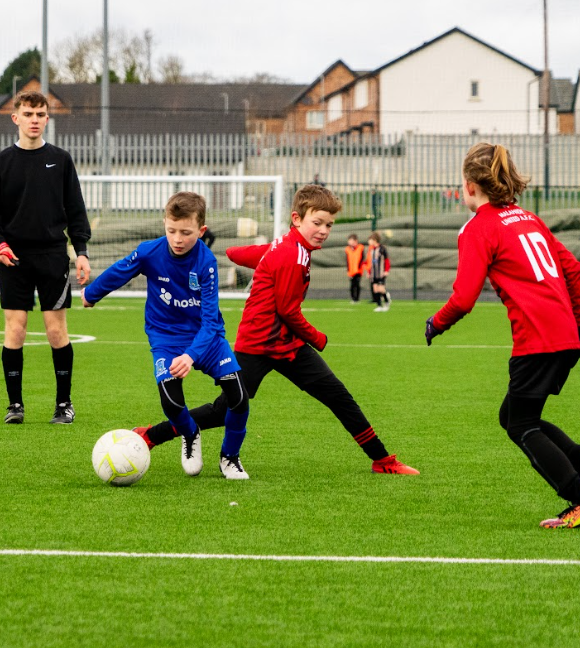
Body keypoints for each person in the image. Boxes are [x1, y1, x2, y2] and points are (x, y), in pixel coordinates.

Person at [133, 184, 419, 476]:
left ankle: (382, 460)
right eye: (316, 223)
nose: (323, 230)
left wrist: (251, 254)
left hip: (287, 346)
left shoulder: (290, 247)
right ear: (297, 219)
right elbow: (288, 311)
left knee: (337, 395)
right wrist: (318, 338)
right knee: (225, 409)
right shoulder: (292, 255)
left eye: (328, 225)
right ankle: (151, 434)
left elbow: (242, 253)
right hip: (257, 346)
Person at [425, 143, 580, 530]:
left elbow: (463, 298)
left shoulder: (478, 228)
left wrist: (436, 323)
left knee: (521, 425)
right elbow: (576, 272)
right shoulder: (528, 218)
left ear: (468, 186)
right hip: (564, 335)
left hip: (538, 339)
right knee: (514, 416)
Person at [82, 192, 250, 479]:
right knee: (172, 403)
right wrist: (91, 293)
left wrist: (191, 355)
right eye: (171, 230)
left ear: (201, 230)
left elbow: (210, 322)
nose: (178, 238)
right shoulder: (150, 252)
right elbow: (120, 271)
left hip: (205, 338)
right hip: (165, 337)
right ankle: (189, 433)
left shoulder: (206, 263)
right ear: (164, 224)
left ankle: (230, 457)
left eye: (186, 232)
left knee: (239, 398)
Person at [0, 90, 92, 425]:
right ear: (15, 118)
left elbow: (75, 209)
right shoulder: (1, 162)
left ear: (47, 119)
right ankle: (14, 406)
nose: (34, 120)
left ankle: (64, 404)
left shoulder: (61, 159)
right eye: (28, 114)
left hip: (52, 255)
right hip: (13, 257)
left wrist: (81, 251)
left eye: (40, 114)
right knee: (14, 330)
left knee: (56, 330)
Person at [365, 231, 391, 311]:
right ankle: (379, 306)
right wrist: (368, 272)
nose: (369, 242)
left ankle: (387, 301)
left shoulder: (382, 249)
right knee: (375, 289)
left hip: (381, 273)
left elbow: (387, 260)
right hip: (373, 273)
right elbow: (370, 263)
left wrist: (386, 270)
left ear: (374, 240)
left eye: (370, 240)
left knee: (381, 289)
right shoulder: (371, 250)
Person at [344, 234, 364, 303]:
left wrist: (359, 268)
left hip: (358, 270)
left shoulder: (360, 248)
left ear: (355, 241)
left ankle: (357, 298)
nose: (350, 242)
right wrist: (348, 270)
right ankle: (353, 298)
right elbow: (347, 261)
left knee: (357, 284)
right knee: (352, 285)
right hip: (351, 271)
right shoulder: (348, 249)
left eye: (351, 241)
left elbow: (362, 259)